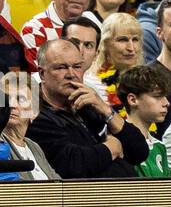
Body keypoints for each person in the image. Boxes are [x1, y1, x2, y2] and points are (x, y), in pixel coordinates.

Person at [28, 38, 151, 178]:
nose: (71, 74)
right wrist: (112, 148)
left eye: (77, 67)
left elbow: (139, 151)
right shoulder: (34, 114)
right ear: (42, 74)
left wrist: (106, 111)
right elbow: (73, 165)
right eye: (61, 67)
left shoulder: (89, 105)